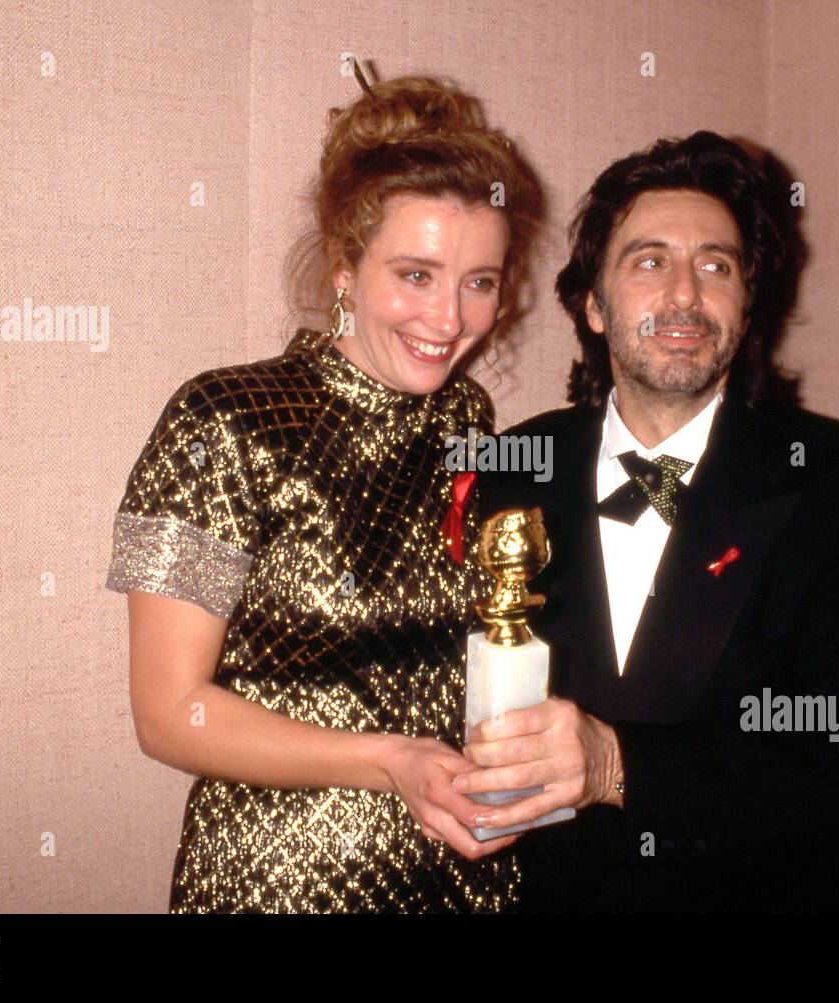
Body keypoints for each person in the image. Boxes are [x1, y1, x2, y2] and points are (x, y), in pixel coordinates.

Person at [464, 130, 839, 912]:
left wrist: (616, 765)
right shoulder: (508, 468)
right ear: (593, 303)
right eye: (649, 260)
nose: (685, 295)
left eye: (716, 266)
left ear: (747, 302)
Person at [103, 66, 542, 912]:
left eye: (479, 282)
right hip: (282, 883)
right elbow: (167, 714)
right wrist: (389, 759)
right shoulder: (221, 420)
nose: (449, 320)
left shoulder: (468, 421)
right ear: (344, 267)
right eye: (416, 274)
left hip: (462, 875)